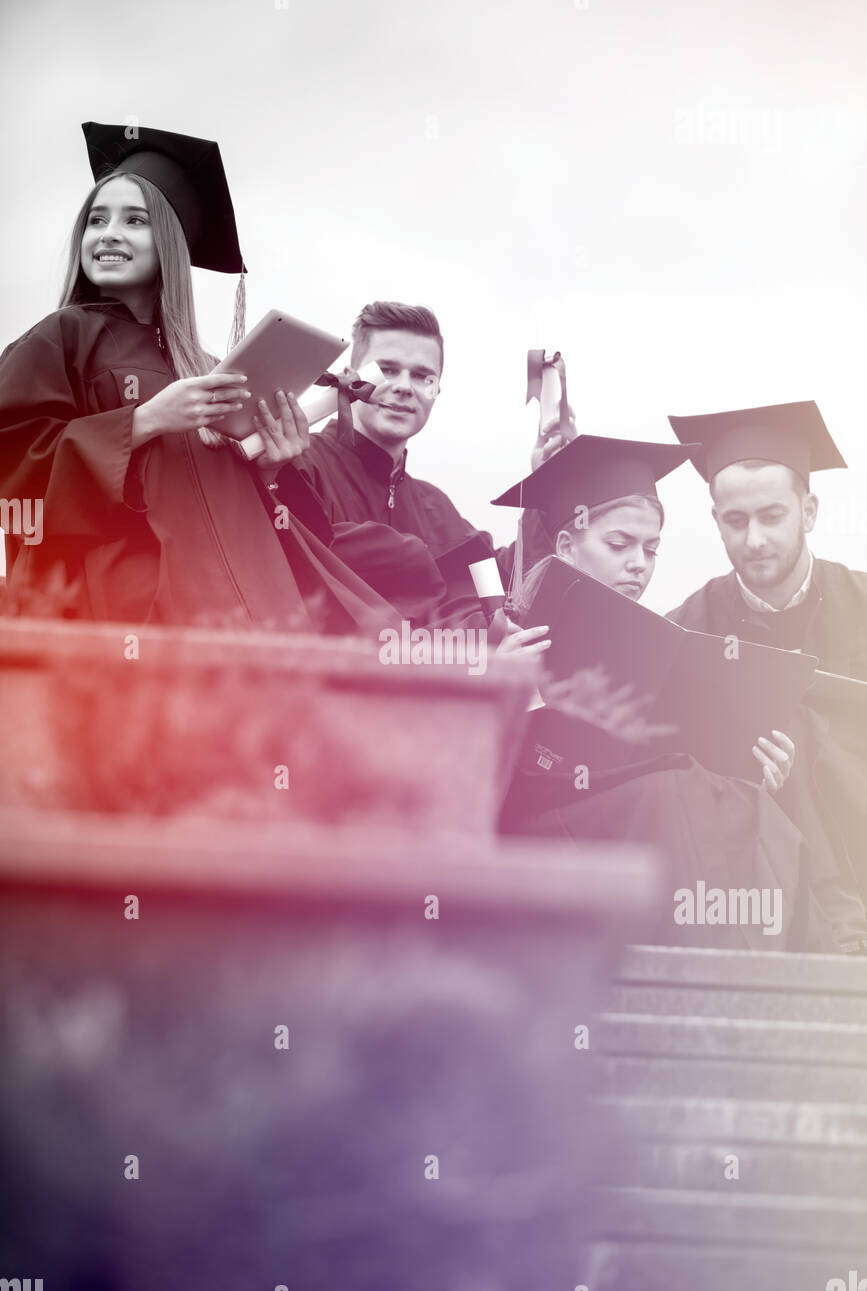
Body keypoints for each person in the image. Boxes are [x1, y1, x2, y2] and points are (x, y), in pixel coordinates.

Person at [0, 123, 398, 634]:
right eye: (96, 220)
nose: (108, 234)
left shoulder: (210, 370)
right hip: (115, 624)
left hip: (221, 624)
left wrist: (273, 466)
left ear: (171, 241)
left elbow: (233, 520)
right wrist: (142, 422)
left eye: (134, 220)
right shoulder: (62, 337)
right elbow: (14, 474)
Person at [491, 433, 832, 952]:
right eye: (619, 544)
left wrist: (755, 762)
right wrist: (498, 688)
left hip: (639, 815)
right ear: (566, 545)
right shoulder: (508, 629)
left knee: (745, 801)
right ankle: (710, 987)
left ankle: (778, 989)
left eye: (650, 549)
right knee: (676, 793)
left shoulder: (653, 639)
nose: (639, 564)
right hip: (544, 824)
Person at [666, 401, 867, 948]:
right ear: (716, 521)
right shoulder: (687, 631)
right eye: (735, 520)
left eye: (772, 516)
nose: (753, 539)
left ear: (809, 511)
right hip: (755, 892)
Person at [286, 300, 513, 627]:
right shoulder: (298, 465)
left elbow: (499, 573)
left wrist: (547, 496)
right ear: (350, 377)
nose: (404, 387)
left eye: (422, 376)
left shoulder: (436, 507)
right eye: (387, 370)